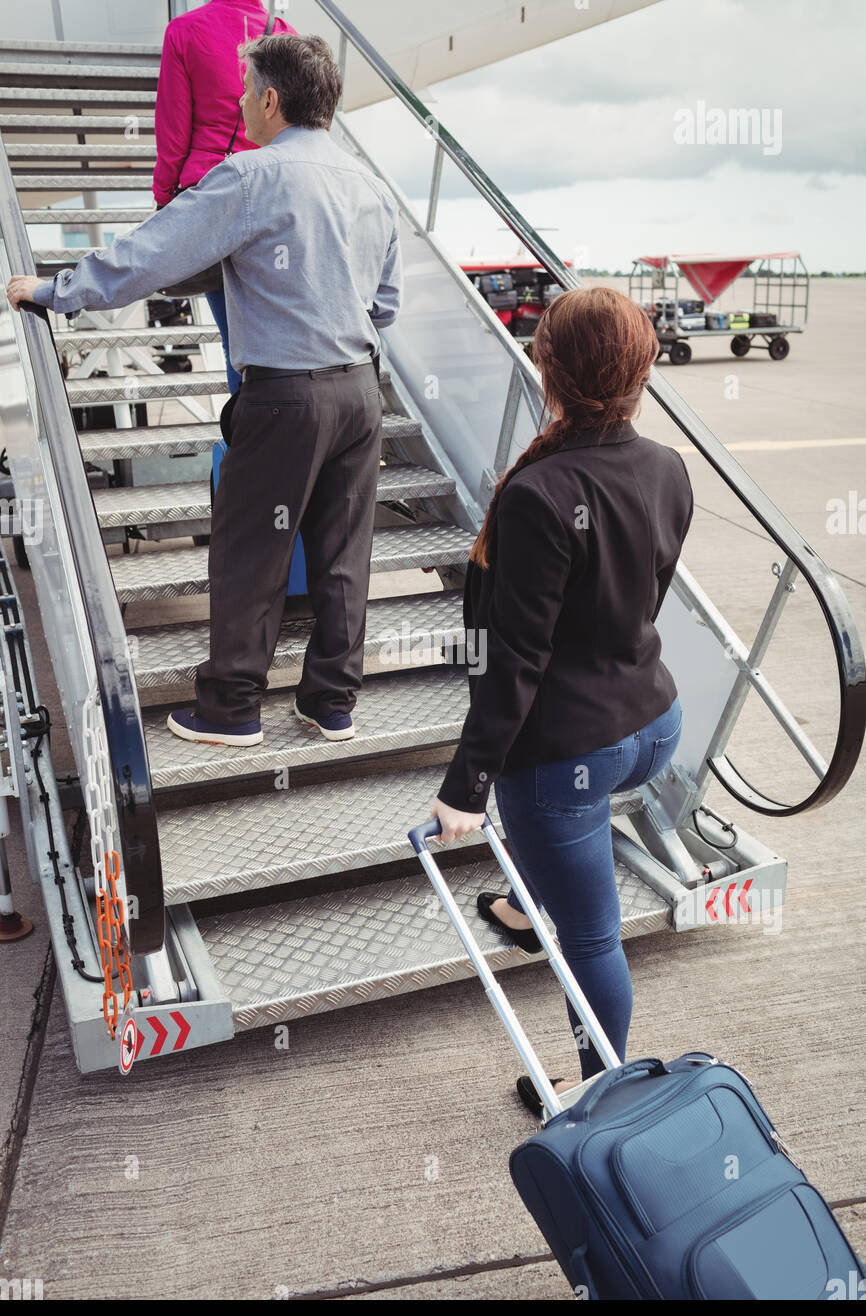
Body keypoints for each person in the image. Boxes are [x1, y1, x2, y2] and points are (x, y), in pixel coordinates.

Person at [7, 34, 402, 749]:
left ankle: (230, 709)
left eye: (248, 91)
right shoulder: (369, 185)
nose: (242, 103)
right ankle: (332, 703)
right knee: (344, 553)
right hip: (359, 392)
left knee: (253, 550)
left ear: (273, 100)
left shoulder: (250, 177)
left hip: (287, 398)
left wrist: (55, 290)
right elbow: (386, 303)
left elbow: (149, 254)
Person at [427, 287, 694, 1116]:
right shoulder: (667, 468)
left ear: (546, 368)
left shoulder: (540, 494)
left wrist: (465, 789)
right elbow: (645, 595)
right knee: (562, 848)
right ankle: (522, 899)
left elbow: (514, 664)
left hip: (572, 751)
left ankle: (598, 1087)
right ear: (642, 373)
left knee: (591, 938)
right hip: (655, 721)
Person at [153, 0, 297, 393]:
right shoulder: (283, 30)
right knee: (270, 335)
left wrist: (166, 197)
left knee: (238, 341)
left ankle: (248, 445)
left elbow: (173, 126)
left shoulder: (184, 31)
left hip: (212, 196)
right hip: (274, 194)